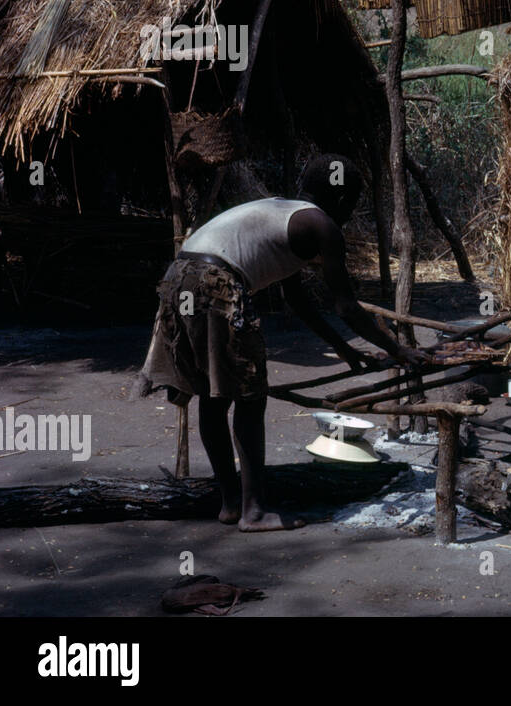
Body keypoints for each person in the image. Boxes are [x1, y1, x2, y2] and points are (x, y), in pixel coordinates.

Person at [138, 154, 424, 531]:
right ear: (341, 201)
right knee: (250, 398)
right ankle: (254, 512)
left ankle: (231, 504)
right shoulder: (321, 225)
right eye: (351, 206)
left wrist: (344, 349)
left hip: (180, 277)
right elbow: (346, 306)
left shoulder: (288, 215)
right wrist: (399, 351)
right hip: (214, 281)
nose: (349, 216)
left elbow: (297, 301)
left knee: (214, 396)